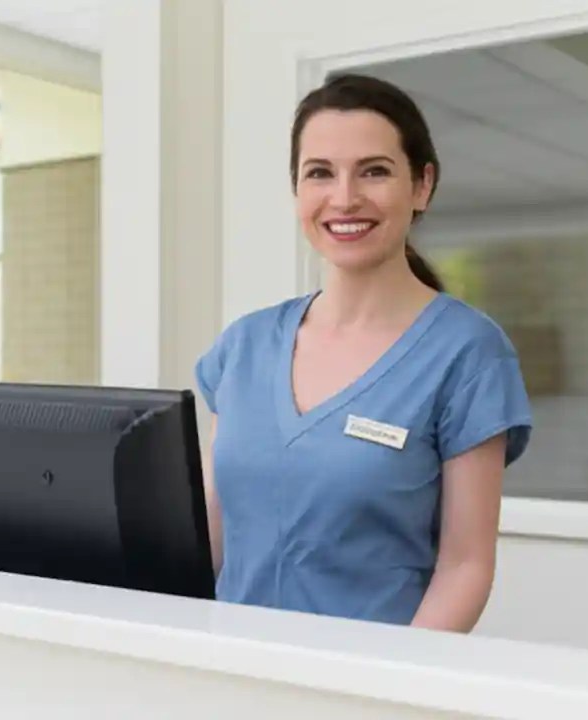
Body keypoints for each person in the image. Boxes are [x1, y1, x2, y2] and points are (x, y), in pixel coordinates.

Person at [194, 73, 533, 632]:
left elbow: (465, 567)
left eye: (374, 171)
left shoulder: (468, 354)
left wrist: (390, 692)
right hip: (234, 675)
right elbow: (212, 530)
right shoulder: (245, 345)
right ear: (298, 190)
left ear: (422, 185)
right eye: (320, 173)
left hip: (370, 686)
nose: (345, 197)